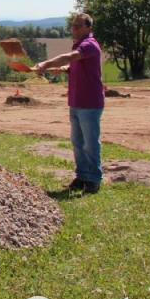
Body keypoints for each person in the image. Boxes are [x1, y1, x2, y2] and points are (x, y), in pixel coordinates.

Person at [35, 13, 105, 195]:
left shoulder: (90, 45)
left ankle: (94, 180)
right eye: (73, 26)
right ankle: (82, 176)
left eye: (78, 26)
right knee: (77, 142)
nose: (73, 29)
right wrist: (64, 69)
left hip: (89, 103)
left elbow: (71, 57)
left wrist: (46, 64)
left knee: (90, 143)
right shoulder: (81, 44)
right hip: (76, 101)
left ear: (88, 28)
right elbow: (74, 64)